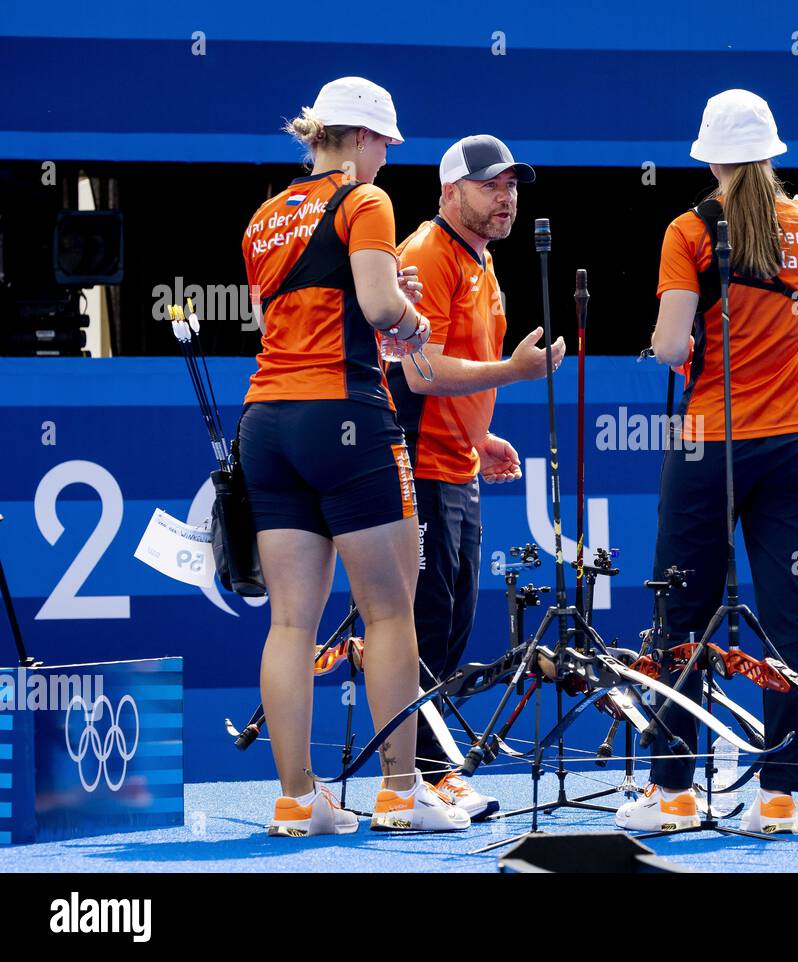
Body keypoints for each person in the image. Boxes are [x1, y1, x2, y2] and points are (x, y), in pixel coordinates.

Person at [239, 77, 468, 835]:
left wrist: (382, 297)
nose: (386, 162)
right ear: (363, 138)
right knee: (390, 609)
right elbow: (374, 309)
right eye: (385, 146)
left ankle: (297, 802)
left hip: (266, 423)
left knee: (291, 624)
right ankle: (402, 795)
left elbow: (302, 309)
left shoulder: (264, 218)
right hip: (341, 413)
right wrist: (412, 323)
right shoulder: (365, 201)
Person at [615, 89, 798, 835]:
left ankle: (674, 792)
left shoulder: (688, 229)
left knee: (682, 612)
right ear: (772, 155)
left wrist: (667, 342)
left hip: (706, 441)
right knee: (785, 623)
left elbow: (675, 347)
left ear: (711, 158)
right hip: (793, 442)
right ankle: (779, 798)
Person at [388, 135, 564, 819]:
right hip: (416, 468)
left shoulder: (481, 264)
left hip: (455, 464)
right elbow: (418, 370)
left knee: (454, 624)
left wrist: (478, 434)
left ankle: (429, 772)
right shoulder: (425, 254)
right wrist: (515, 373)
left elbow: (446, 375)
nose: (507, 196)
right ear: (448, 192)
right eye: (491, 184)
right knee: (428, 625)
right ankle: (425, 776)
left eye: (513, 185)